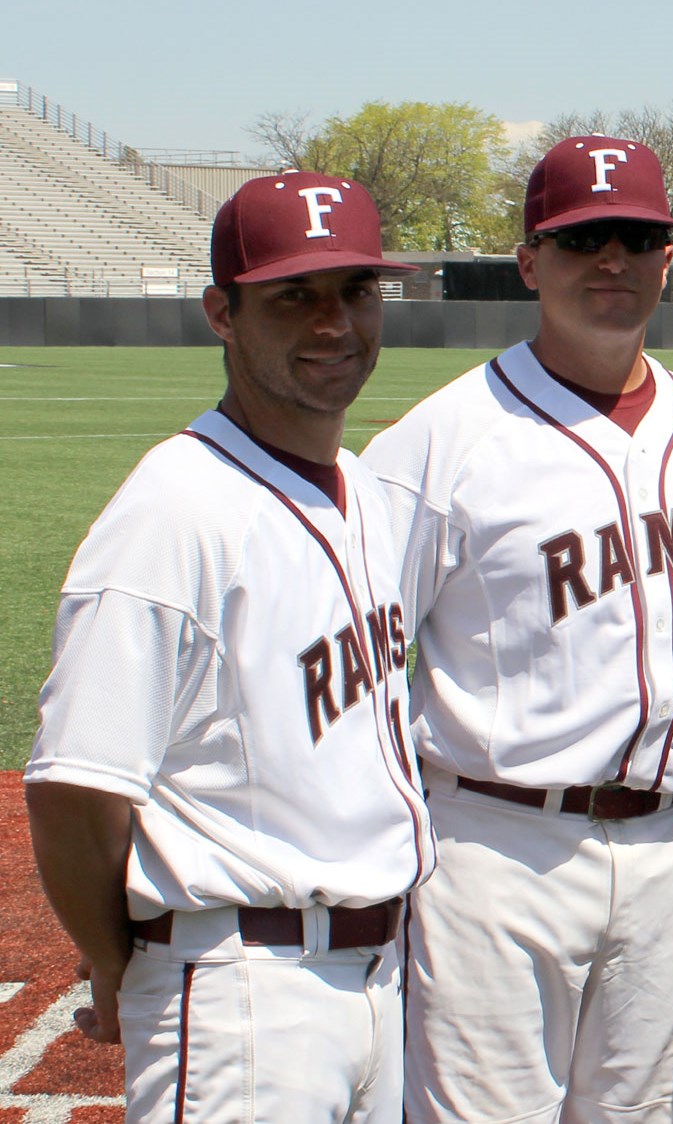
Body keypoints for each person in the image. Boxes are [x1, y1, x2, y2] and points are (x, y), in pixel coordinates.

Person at [362, 135, 673, 1122]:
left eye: (634, 237)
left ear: (669, 259)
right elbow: (357, 667)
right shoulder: (441, 439)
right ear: (530, 259)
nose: (611, 262)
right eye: (582, 239)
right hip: (496, 847)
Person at [25, 173, 428, 1121]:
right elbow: (75, 786)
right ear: (222, 312)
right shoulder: (174, 512)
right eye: (294, 295)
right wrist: (133, 968)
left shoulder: (360, 489)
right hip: (243, 996)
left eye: (356, 291)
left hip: (375, 980)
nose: (334, 323)